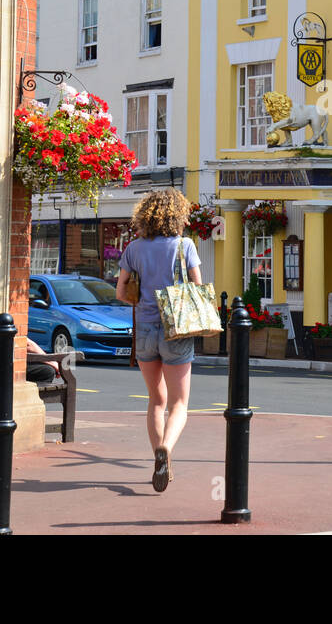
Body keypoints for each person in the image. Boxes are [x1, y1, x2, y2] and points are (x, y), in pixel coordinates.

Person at [116, 189, 202, 492]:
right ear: (178, 215)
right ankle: (166, 447)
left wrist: (145, 304)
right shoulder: (185, 245)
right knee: (180, 403)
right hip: (176, 328)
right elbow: (197, 286)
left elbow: (121, 292)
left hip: (145, 328)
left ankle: (159, 458)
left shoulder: (134, 248)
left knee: (156, 400)